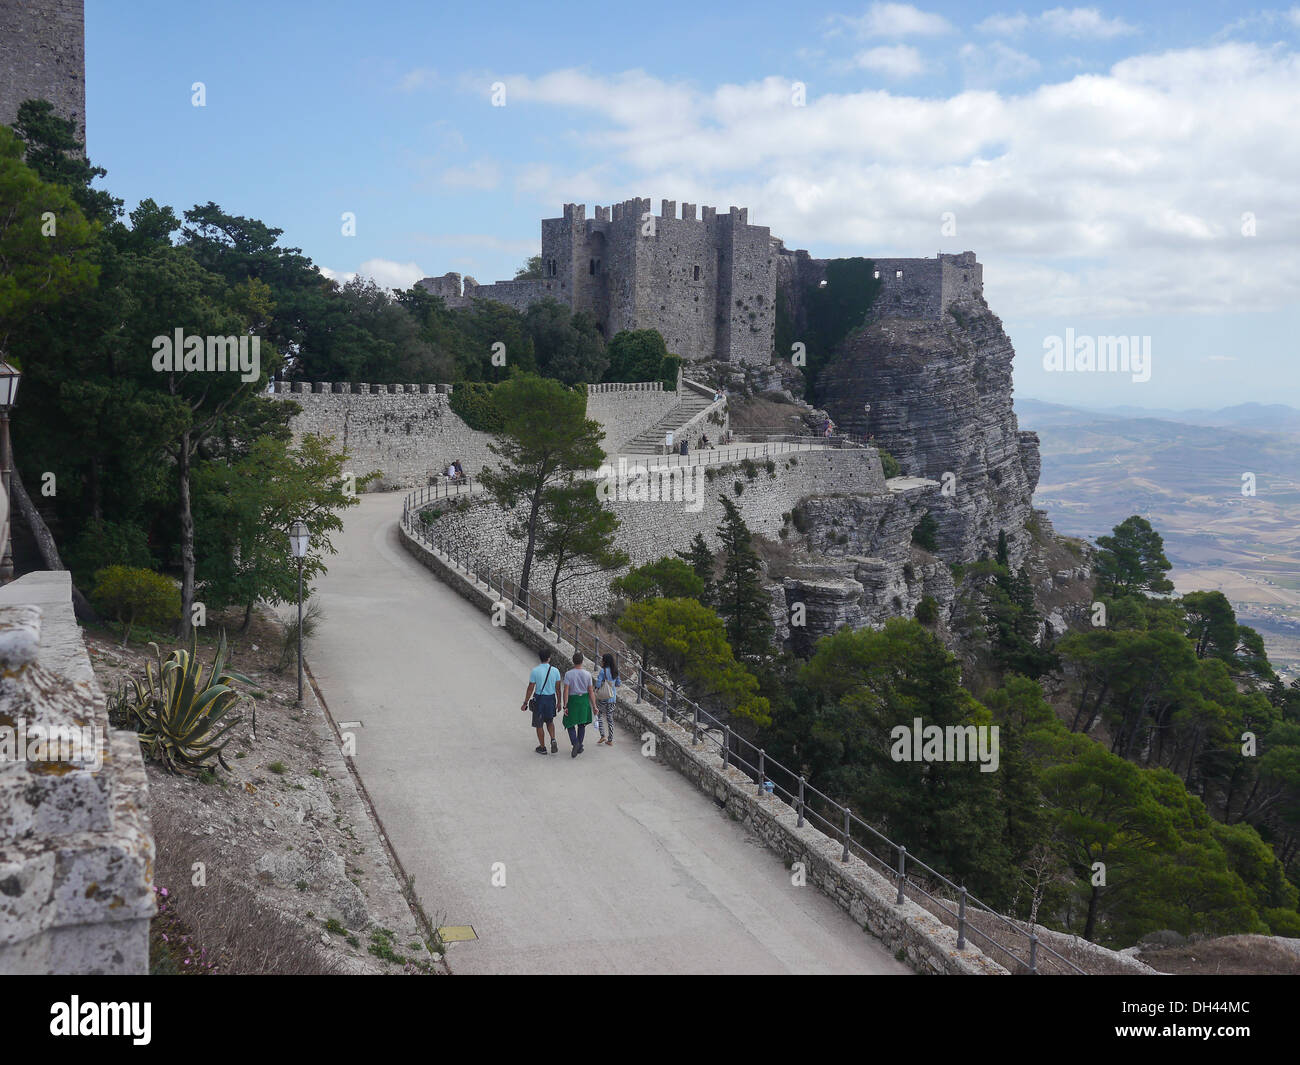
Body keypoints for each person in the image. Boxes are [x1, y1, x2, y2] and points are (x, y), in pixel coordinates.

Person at [521, 648, 561, 754]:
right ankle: (553, 739)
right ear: (549, 658)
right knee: (550, 721)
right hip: (551, 699)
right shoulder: (555, 671)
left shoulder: (535, 671)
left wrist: (525, 702)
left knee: (539, 724)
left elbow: (531, 687)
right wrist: (559, 702)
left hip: (539, 699)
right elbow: (558, 689)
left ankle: (542, 747)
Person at [560, 651, 594, 758]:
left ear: (573, 661)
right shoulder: (588, 674)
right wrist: (594, 706)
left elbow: (566, 690)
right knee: (581, 724)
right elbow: (591, 691)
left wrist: (565, 705)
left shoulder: (568, 674)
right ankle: (579, 745)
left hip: (573, 701)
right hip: (584, 701)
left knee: (569, 723)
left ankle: (575, 743)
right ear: (582, 661)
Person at [593, 653, 620, 745]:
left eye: (602, 660)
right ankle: (610, 740)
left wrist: (595, 689)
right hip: (612, 698)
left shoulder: (602, 671)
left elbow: (598, 684)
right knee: (610, 718)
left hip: (603, 698)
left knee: (599, 715)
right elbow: (618, 684)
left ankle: (602, 736)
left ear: (605, 661)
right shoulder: (616, 671)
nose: (601, 661)